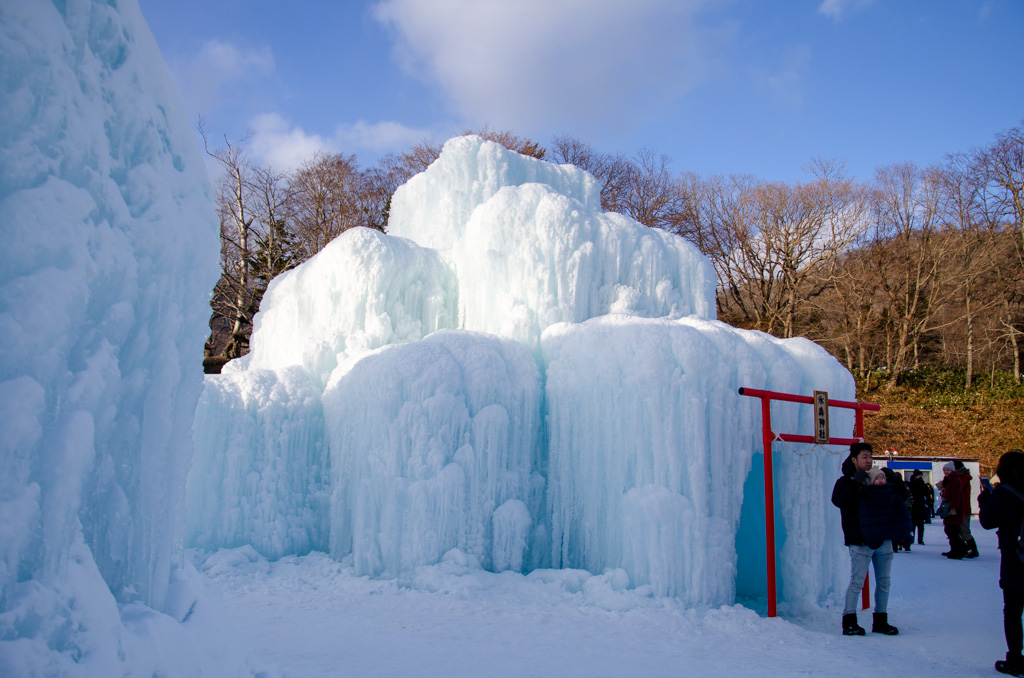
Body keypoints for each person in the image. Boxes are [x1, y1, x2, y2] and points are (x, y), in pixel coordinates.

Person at [831, 442, 904, 636]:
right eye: (864, 457)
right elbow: (839, 501)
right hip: (859, 540)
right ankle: (849, 621)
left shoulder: (878, 479)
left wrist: (895, 480)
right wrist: (857, 481)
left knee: (884, 581)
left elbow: (900, 498)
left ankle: (881, 620)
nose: (868, 460)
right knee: (857, 581)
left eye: (870, 457)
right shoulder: (845, 482)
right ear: (854, 459)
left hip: (883, 539)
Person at [979, 449, 1024, 676]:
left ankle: (1015, 660)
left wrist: (985, 498)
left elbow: (987, 522)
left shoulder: (1004, 492)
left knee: (1014, 611)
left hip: (1016, 560)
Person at [941, 461, 968, 559]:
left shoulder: (955, 480)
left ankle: (960, 550)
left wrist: (953, 508)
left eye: (948, 470)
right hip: (949, 507)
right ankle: (956, 549)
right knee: (949, 530)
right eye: (944, 470)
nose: (946, 472)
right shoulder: (949, 480)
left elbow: (956, 496)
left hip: (953, 509)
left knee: (952, 530)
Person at [955, 459, 980, 558]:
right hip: (964, 508)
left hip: (962, 509)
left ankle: (973, 550)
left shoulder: (961, 480)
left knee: (964, 531)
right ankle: (967, 549)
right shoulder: (965, 478)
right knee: (962, 530)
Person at [909, 470, 930, 545]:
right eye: (919, 475)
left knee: (920, 524)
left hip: (920, 506)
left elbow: (927, 494)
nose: (920, 477)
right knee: (913, 524)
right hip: (913, 506)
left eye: (921, 475)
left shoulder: (922, 484)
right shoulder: (912, 484)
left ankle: (920, 539)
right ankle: (912, 538)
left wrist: (928, 502)